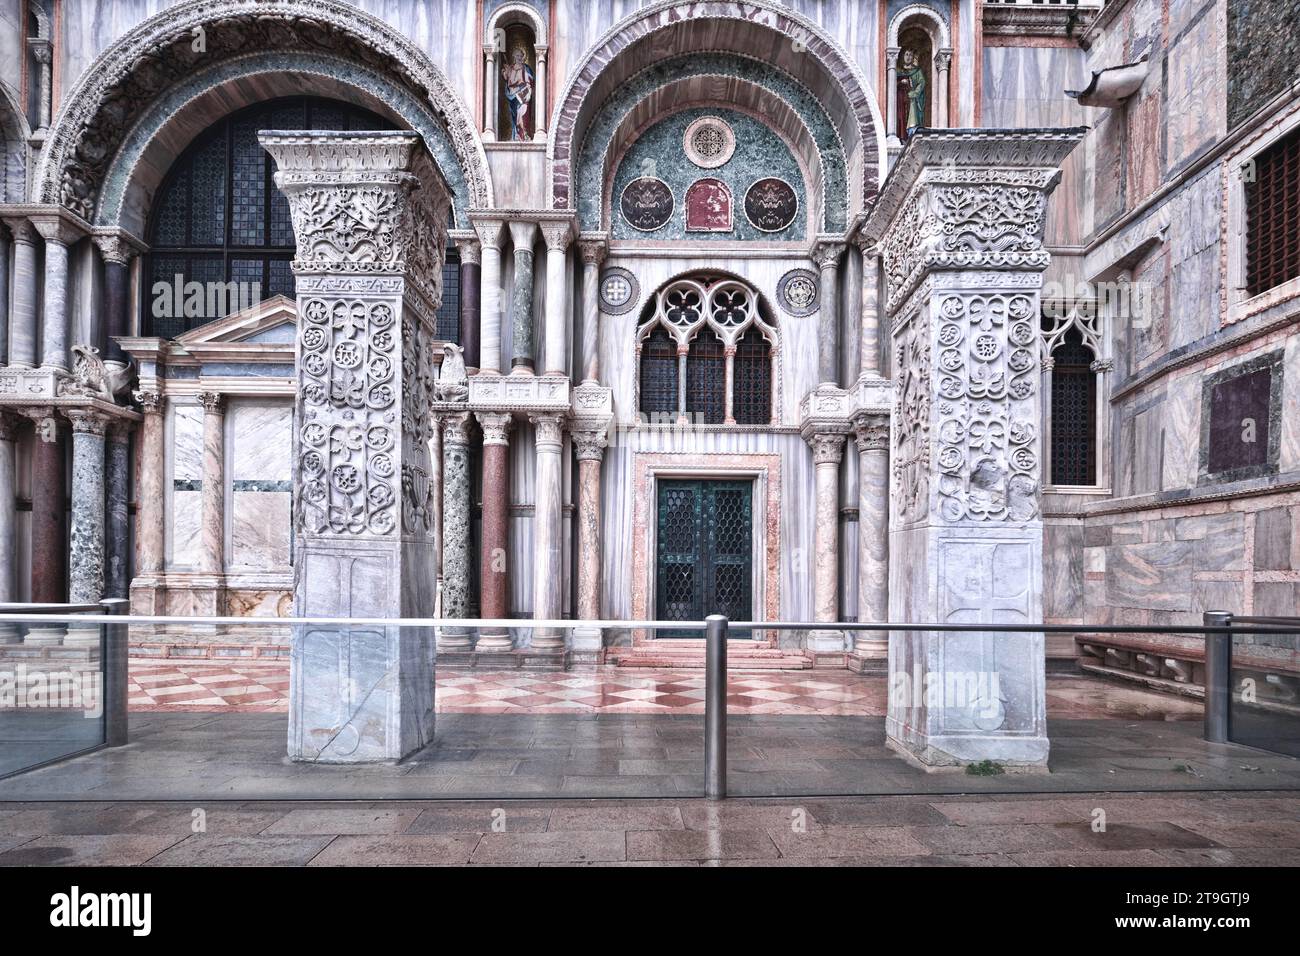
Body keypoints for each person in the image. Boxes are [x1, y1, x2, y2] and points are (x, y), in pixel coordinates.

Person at [501, 45, 534, 141]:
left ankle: (523, 135)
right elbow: (506, 78)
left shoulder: (525, 68)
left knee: (522, 114)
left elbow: (530, 80)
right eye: (518, 56)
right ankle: (514, 135)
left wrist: (528, 88)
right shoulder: (510, 68)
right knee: (514, 116)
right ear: (514, 57)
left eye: (521, 56)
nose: (520, 58)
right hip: (512, 95)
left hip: (522, 94)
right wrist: (505, 71)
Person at [900, 48, 927, 140]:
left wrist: (915, 93)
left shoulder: (917, 71)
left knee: (913, 114)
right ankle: (902, 135)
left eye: (910, 55)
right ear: (902, 56)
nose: (908, 57)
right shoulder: (899, 71)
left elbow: (922, 82)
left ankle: (912, 131)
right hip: (901, 99)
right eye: (906, 54)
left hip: (913, 99)